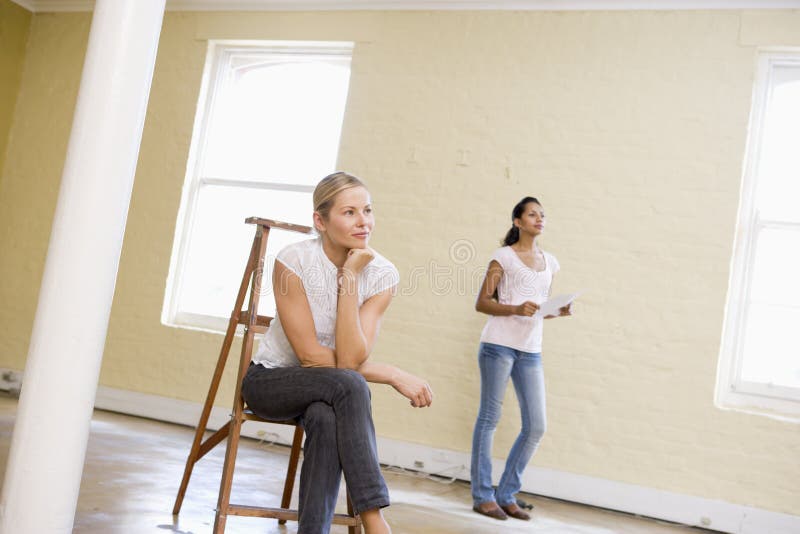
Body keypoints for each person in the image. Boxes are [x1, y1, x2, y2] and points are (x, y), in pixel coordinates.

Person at [242, 172, 433, 534]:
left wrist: (350, 278)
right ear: (320, 220)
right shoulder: (293, 261)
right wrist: (391, 373)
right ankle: (374, 519)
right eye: (349, 212)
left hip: (328, 390)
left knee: (328, 418)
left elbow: (349, 358)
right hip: (271, 380)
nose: (364, 221)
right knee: (350, 384)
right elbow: (314, 359)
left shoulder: (381, 274)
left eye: (368, 210)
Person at [470, 196, 571, 521]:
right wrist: (514, 307)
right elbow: (482, 302)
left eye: (543, 214)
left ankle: (507, 493)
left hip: (531, 349)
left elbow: (538, 311)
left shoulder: (550, 262)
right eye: (532, 214)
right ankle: (483, 495)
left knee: (536, 425)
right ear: (517, 221)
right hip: (498, 345)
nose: (539, 219)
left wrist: (557, 311)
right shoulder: (503, 257)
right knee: (489, 419)